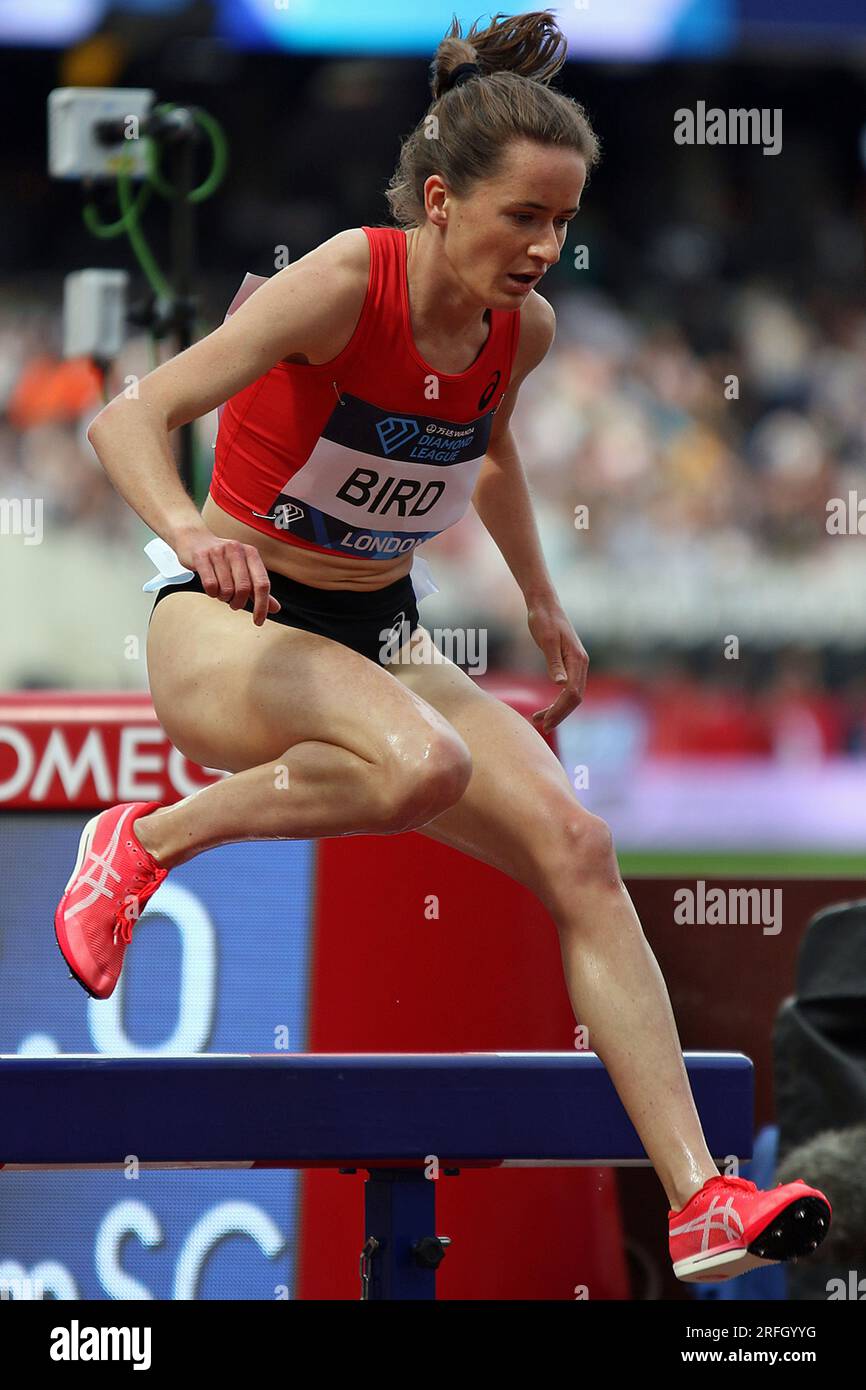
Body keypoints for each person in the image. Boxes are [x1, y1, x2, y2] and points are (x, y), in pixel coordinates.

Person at [53, 9, 831, 1283]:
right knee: (424, 762)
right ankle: (142, 843)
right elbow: (128, 418)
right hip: (230, 624)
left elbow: (494, 448)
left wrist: (541, 600)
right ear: (438, 201)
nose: (544, 247)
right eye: (521, 216)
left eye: (562, 222)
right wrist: (192, 532)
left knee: (578, 847)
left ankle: (697, 1200)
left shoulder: (521, 331)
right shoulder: (344, 280)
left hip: (381, 636)